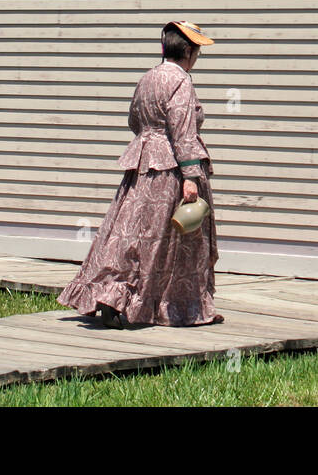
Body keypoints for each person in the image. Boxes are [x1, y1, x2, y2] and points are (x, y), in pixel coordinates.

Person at [58, 20, 223, 327]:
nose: (198, 56)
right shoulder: (181, 81)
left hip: (143, 166)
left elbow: (134, 120)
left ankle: (114, 293)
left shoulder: (147, 78)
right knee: (175, 241)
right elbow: (183, 131)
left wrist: (151, 139)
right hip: (172, 169)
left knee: (131, 233)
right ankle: (179, 308)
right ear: (187, 50)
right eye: (197, 50)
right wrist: (189, 176)